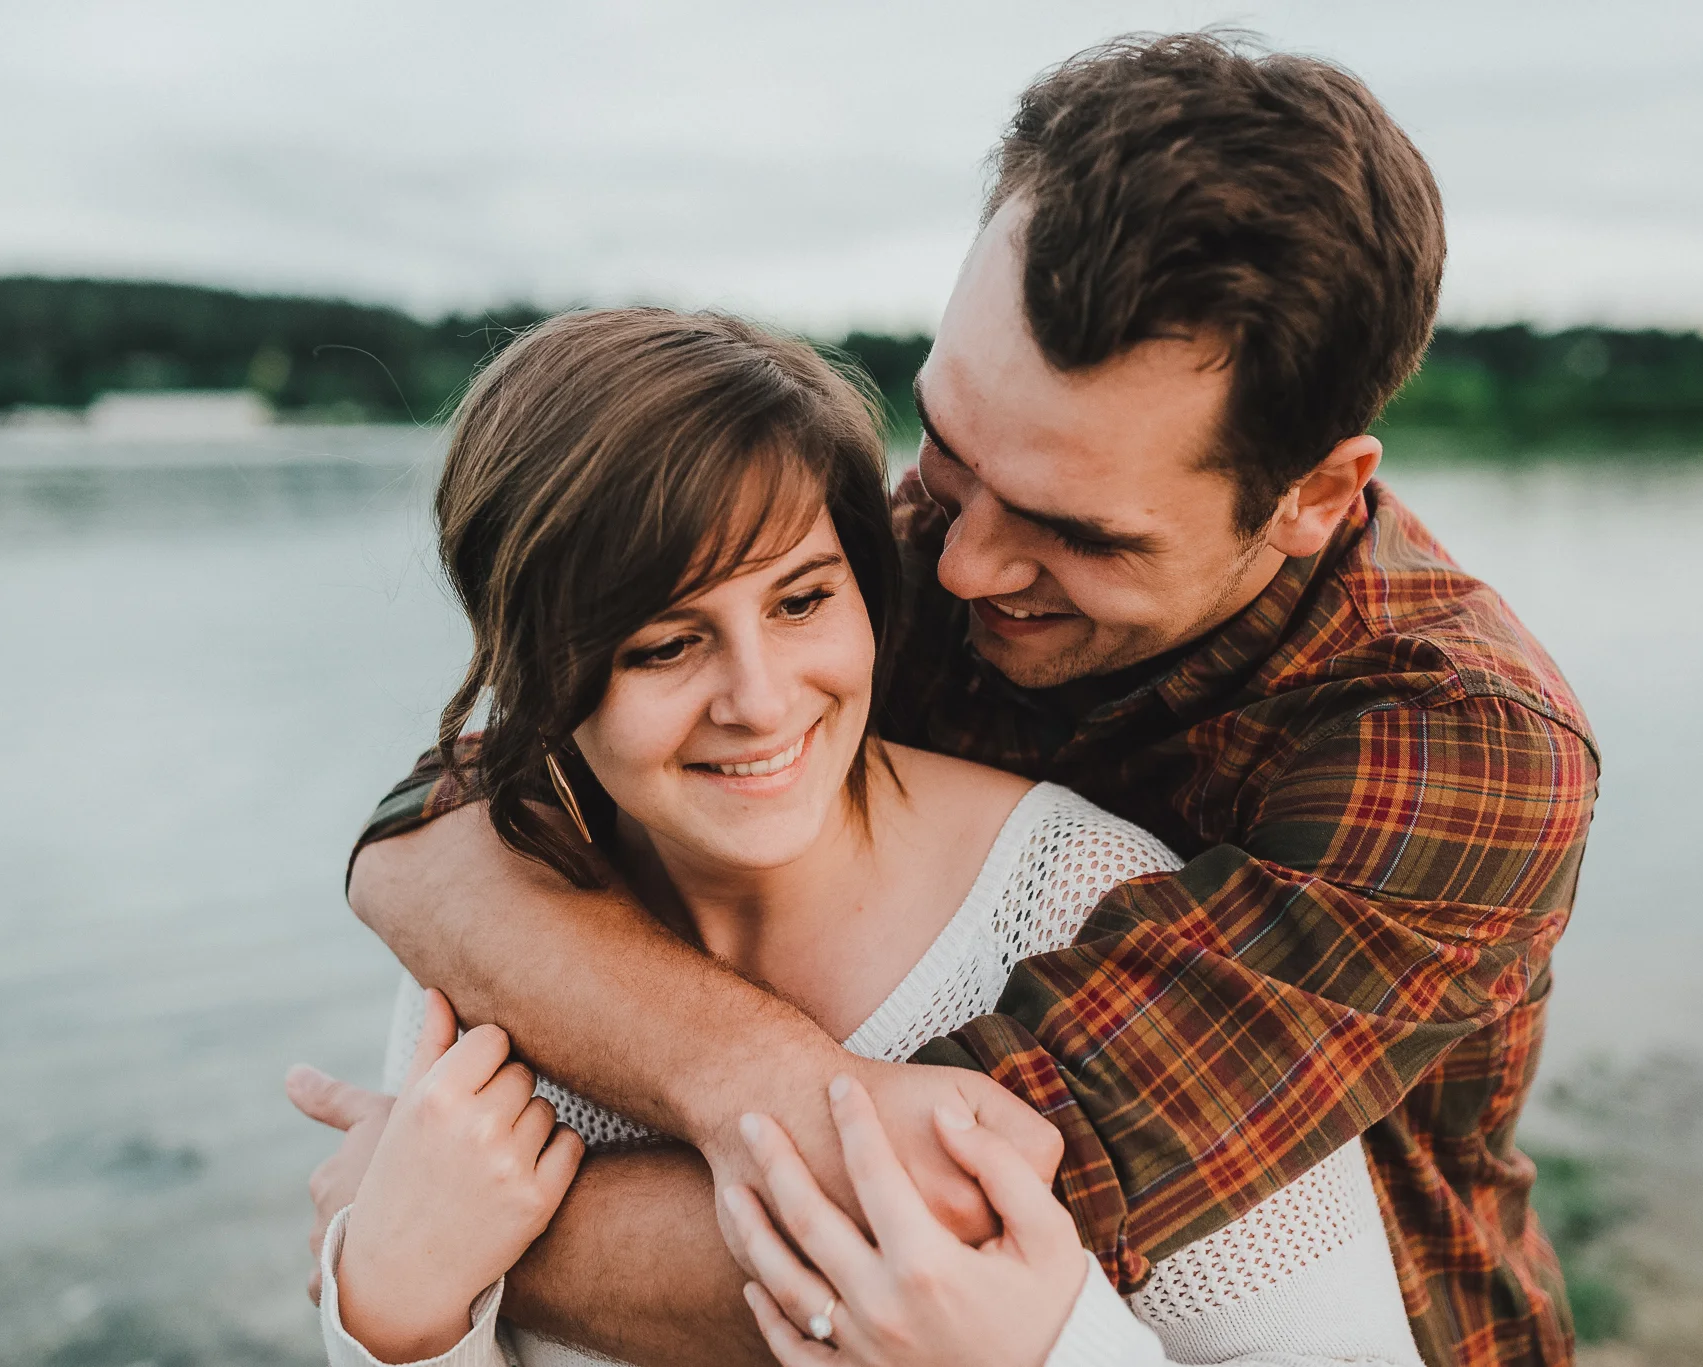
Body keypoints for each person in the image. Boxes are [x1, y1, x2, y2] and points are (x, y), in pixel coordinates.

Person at [292, 30, 1598, 1367]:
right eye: (950, 447)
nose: (956, 560)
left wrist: (438, 1240)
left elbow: (961, 1219)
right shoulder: (875, 569)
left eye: (1079, 533)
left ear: (1315, 495)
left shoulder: (1464, 743)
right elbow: (440, 818)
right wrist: (756, 1079)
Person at [307, 305, 1425, 1367]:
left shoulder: (1078, 900)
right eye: (662, 644)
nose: (759, 698)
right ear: (531, 664)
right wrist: (396, 1307)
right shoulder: (499, 929)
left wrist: (1045, 1348)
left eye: (800, 601)